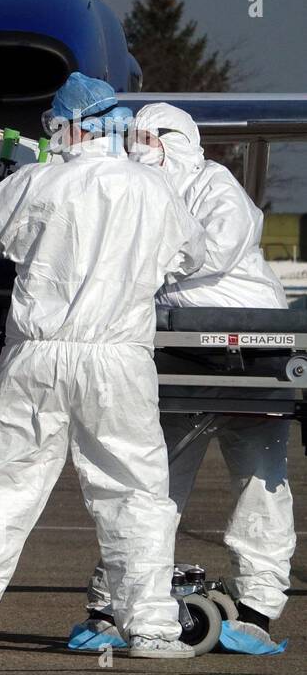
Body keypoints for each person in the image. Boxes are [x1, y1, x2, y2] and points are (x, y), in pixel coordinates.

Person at [0, 73, 207, 658]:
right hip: (120, 359)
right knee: (135, 494)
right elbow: (190, 256)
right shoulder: (154, 190)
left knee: (2, 486)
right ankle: (151, 630)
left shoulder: (38, 181)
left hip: (37, 358)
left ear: (66, 127)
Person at [83, 102, 295, 636]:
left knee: (260, 482)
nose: (145, 148)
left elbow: (216, 249)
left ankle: (255, 608)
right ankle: (116, 604)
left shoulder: (215, 185)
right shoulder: (132, 189)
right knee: (154, 482)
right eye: (137, 139)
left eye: (156, 139)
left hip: (250, 350)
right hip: (177, 354)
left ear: (184, 141)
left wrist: (141, 259)